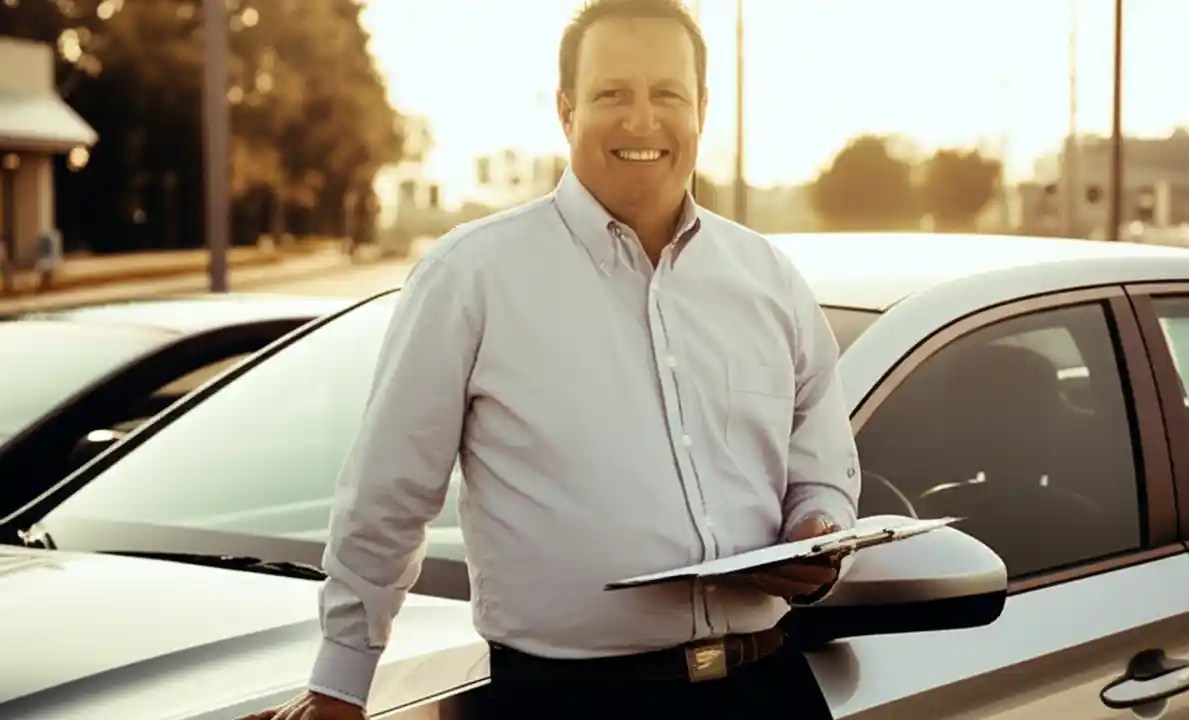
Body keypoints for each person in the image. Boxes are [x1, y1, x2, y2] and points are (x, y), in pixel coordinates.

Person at [240, 0, 859, 718]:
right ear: (566, 111)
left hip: (768, 690)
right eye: (611, 94)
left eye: (667, 94)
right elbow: (389, 492)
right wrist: (340, 684)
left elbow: (819, 458)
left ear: (702, 109)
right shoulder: (473, 276)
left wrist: (818, 528)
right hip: (567, 703)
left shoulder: (769, 278)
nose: (641, 120)